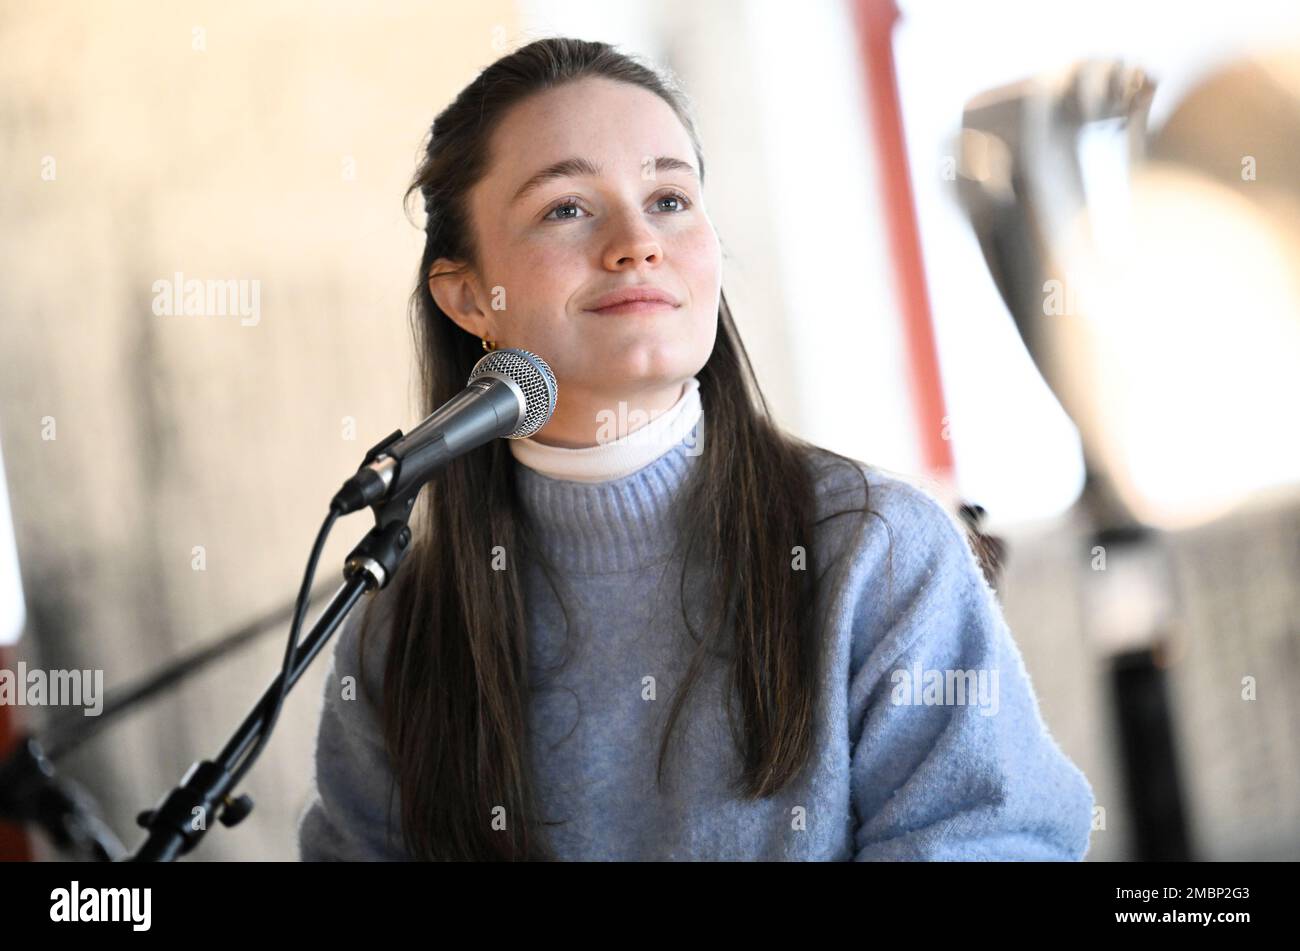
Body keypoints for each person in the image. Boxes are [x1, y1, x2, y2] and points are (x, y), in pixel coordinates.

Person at [297, 36, 1094, 861]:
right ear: (468, 298)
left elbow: (991, 841)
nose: (637, 242)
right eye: (567, 207)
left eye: (670, 198)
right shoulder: (398, 633)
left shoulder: (877, 550)